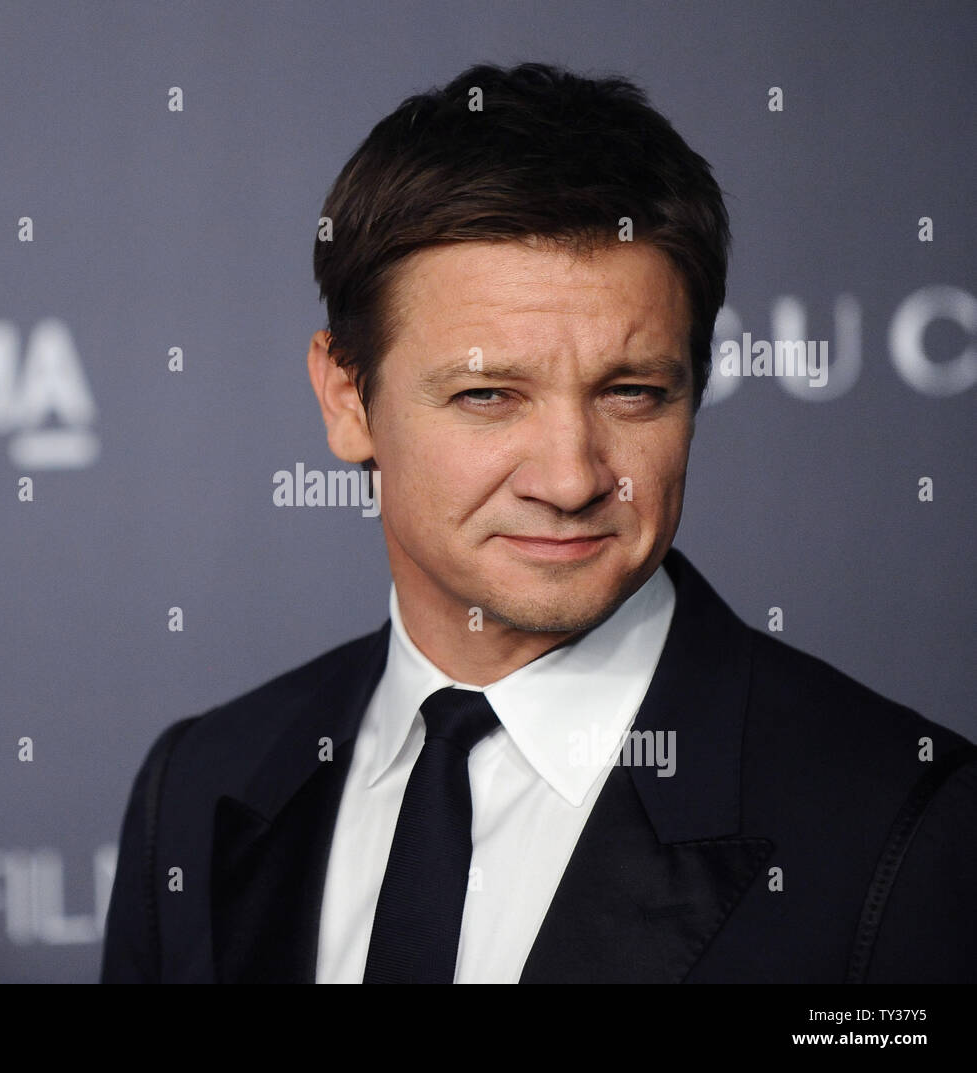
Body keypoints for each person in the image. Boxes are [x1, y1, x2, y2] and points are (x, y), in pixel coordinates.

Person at [100, 62, 976, 984]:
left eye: (632, 392)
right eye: (488, 395)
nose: (570, 478)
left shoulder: (903, 829)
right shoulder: (198, 789)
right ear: (347, 399)